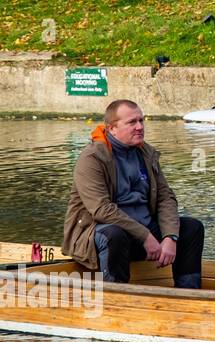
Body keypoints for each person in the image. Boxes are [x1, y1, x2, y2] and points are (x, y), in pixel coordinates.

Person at [63, 99, 204, 288]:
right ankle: (116, 295)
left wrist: (171, 237)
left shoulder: (146, 153)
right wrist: (145, 236)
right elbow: (102, 210)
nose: (139, 127)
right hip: (97, 235)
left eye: (141, 121)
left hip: (144, 233)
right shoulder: (92, 159)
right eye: (132, 122)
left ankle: (189, 296)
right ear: (112, 128)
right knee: (114, 235)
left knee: (192, 228)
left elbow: (165, 197)